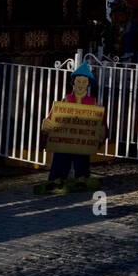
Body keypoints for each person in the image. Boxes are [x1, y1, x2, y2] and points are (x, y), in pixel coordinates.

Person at [39, 62, 108, 194]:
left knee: (82, 155)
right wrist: (47, 124)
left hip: (83, 140)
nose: (81, 85)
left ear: (88, 85)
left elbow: (101, 123)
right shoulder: (65, 101)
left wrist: (101, 132)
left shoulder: (93, 103)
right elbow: (53, 117)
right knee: (60, 155)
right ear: (73, 83)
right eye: (78, 82)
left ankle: (81, 179)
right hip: (64, 139)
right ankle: (57, 180)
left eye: (84, 82)